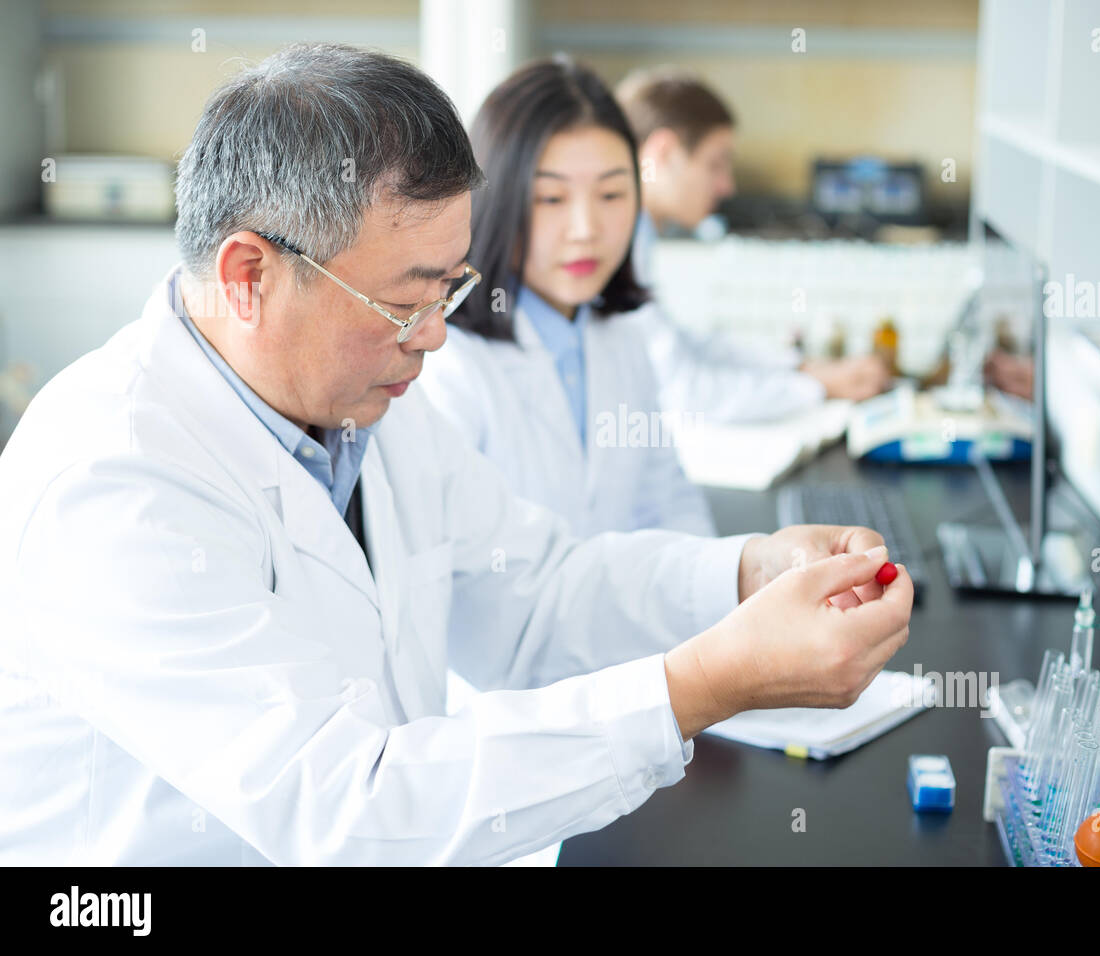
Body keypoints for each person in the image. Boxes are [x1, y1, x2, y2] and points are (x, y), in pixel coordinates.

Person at [0, 43, 913, 866]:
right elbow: (344, 807)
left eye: (454, 285)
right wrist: (698, 689)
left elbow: (535, 593)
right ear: (249, 276)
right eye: (407, 300)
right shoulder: (114, 481)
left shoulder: (366, 408)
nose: (437, 336)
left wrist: (749, 575)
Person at [417, 57, 714, 538]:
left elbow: (669, 509)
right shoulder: (446, 364)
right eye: (551, 199)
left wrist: (739, 590)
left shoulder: (623, 339)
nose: (586, 231)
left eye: (612, 195)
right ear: (496, 201)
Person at [615, 66, 892, 424]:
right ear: (663, 153)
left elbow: (687, 348)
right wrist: (816, 386)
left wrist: (804, 368)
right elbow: (686, 392)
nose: (726, 186)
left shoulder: (638, 236)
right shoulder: (616, 245)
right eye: (715, 165)